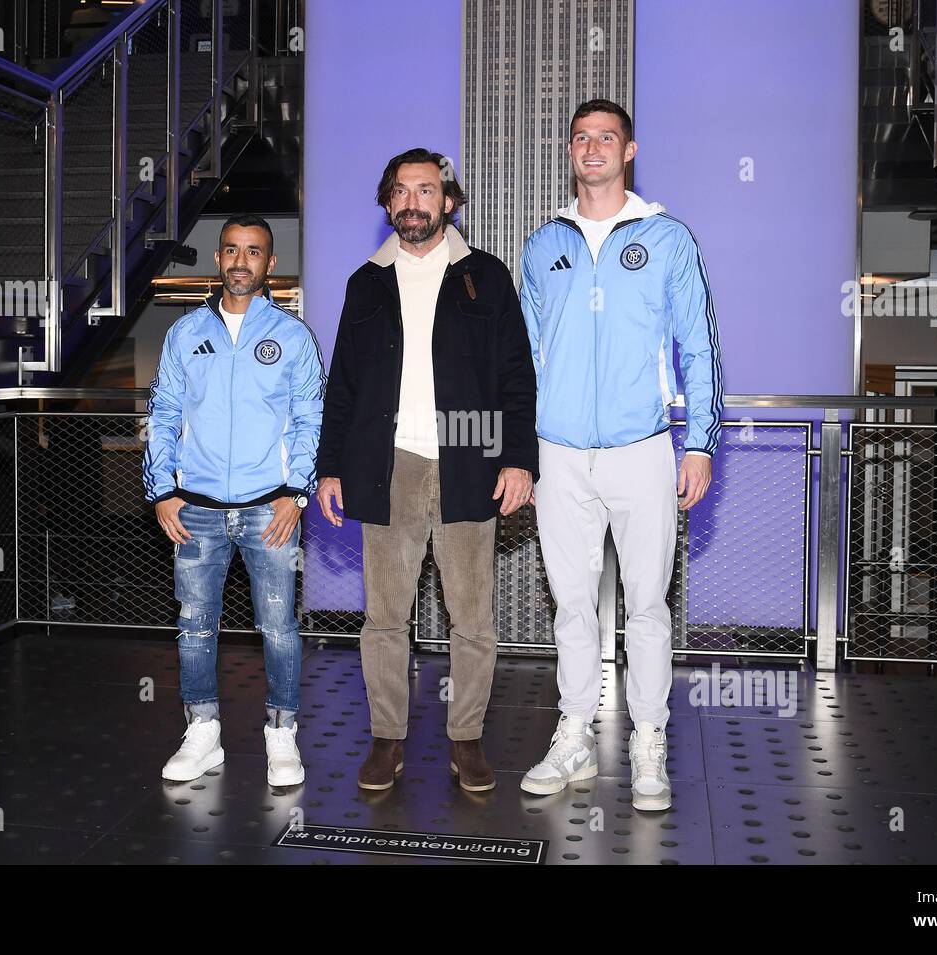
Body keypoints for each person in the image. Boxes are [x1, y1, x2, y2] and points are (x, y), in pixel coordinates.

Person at [518, 100, 723, 811]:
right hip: (559, 453)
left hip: (644, 450)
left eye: (607, 137)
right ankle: (574, 732)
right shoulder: (544, 243)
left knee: (647, 608)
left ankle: (648, 742)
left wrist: (698, 443)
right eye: (582, 138)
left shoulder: (668, 238)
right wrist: (521, 452)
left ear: (629, 149)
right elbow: (524, 360)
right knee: (571, 604)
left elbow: (698, 347)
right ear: (570, 151)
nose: (593, 148)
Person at [315, 148, 539, 793]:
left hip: (467, 460)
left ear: (448, 201)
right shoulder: (366, 281)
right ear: (388, 204)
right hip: (389, 465)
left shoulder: (486, 276)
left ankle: (466, 739)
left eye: (427, 189)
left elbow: (515, 378)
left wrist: (518, 459)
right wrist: (331, 469)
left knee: (473, 619)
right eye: (402, 191)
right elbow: (345, 386)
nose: (414, 201)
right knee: (384, 618)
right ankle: (387, 738)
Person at [144, 213, 325, 787]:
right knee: (195, 626)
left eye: (254, 252)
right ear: (219, 258)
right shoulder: (184, 334)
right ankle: (203, 736)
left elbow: (309, 420)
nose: (241, 261)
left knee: (278, 627)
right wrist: (162, 491)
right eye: (231, 250)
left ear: (271, 264)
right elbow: (164, 414)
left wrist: (296, 493)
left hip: (269, 508)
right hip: (193, 508)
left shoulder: (294, 337)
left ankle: (282, 739)